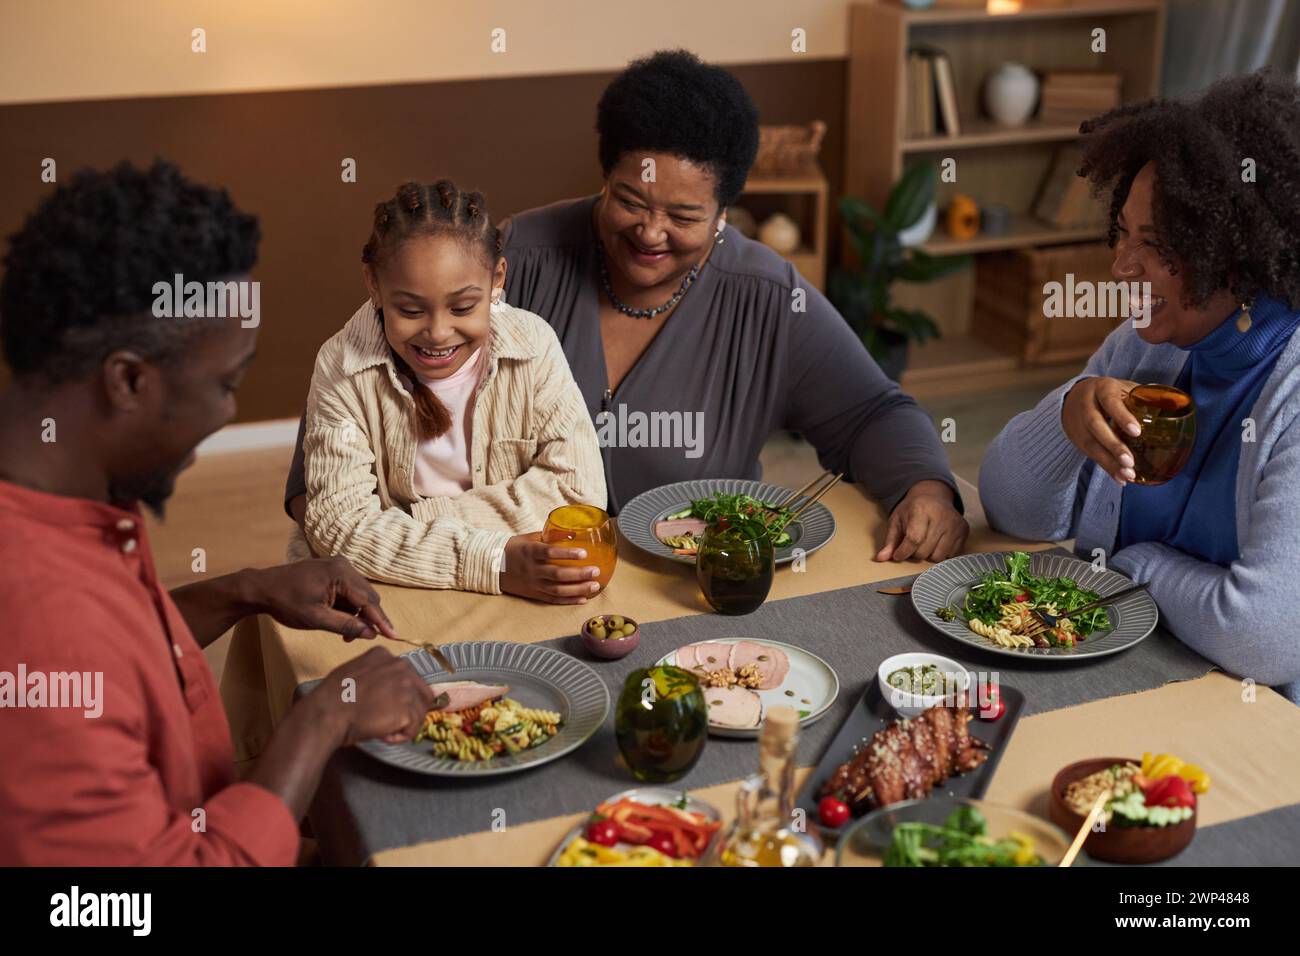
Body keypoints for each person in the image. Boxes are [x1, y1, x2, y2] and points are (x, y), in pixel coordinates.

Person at [286, 50, 968, 565]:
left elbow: (872, 412)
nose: (650, 233)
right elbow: (365, 377)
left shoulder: (768, 299)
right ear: (602, 178)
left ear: (726, 211)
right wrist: (338, 523)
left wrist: (927, 489)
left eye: (683, 215)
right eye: (631, 201)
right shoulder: (519, 257)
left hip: (687, 582)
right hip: (512, 572)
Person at [0, 161, 437, 864]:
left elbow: (118, 661)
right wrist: (325, 717)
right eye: (227, 384)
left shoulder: (65, 503)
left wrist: (243, 590)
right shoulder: (39, 620)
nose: (229, 412)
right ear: (129, 380)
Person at [979, 71, 1300, 702]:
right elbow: (1011, 510)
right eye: (1123, 232)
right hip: (1128, 676)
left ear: (1237, 256)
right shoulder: (1144, 343)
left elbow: (1262, 637)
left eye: (1154, 246)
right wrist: (1070, 413)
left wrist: (1132, 568)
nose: (1121, 267)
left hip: (1254, 731)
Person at [297, 180, 607, 604]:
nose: (438, 333)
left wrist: (409, 521)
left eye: (463, 308)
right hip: (392, 589)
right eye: (410, 310)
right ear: (373, 283)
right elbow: (338, 527)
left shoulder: (534, 344)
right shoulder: (341, 365)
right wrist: (494, 560)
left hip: (504, 579)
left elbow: (579, 494)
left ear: (497, 278)